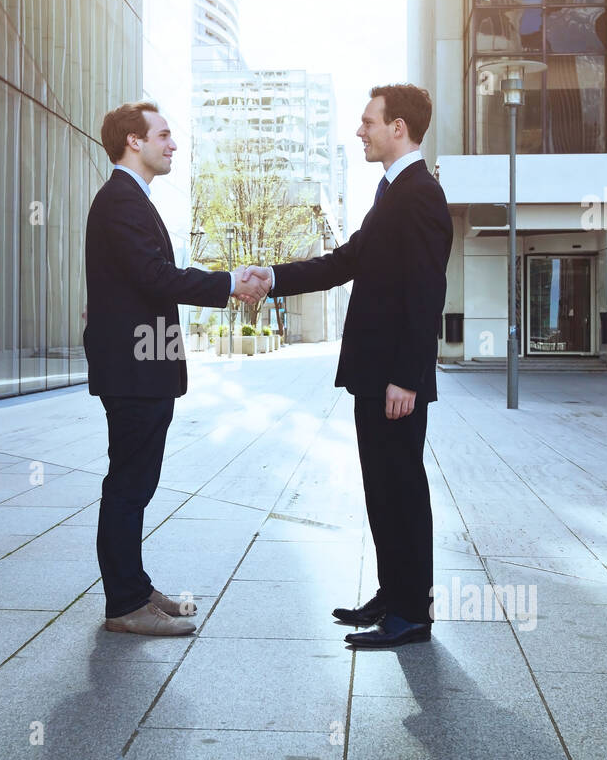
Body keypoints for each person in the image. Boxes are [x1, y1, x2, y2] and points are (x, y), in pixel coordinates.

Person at [242, 83, 453, 648]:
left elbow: (428, 292)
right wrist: (275, 276)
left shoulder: (420, 195)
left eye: (368, 122)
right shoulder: (391, 192)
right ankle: (392, 595)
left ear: (399, 128)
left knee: (402, 489)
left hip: (394, 379)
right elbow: (347, 262)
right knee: (381, 489)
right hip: (374, 374)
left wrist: (408, 376)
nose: (360, 131)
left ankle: (412, 614)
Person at [84, 101, 268, 636]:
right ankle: (123, 604)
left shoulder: (132, 198)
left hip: (146, 365)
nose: (172, 145)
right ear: (132, 142)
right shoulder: (120, 199)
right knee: (127, 485)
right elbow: (155, 277)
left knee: (136, 483)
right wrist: (230, 283)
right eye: (163, 135)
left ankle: (135, 588)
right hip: (133, 370)